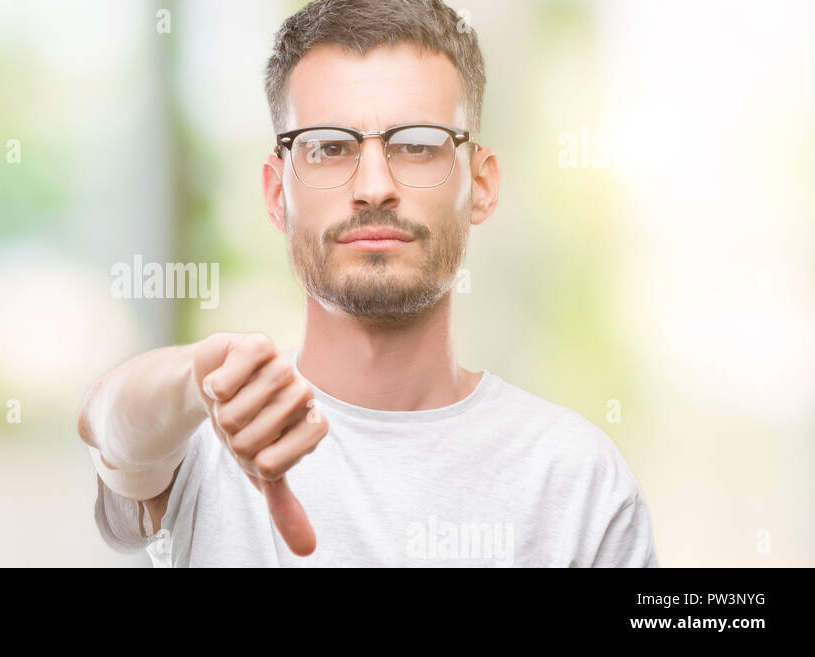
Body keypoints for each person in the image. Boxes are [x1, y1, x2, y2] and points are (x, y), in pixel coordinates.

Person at [77, 0, 658, 567]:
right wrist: (194, 380)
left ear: (480, 185)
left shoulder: (578, 481)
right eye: (329, 147)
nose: (375, 185)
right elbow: (107, 426)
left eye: (418, 145)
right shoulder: (205, 435)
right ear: (278, 194)